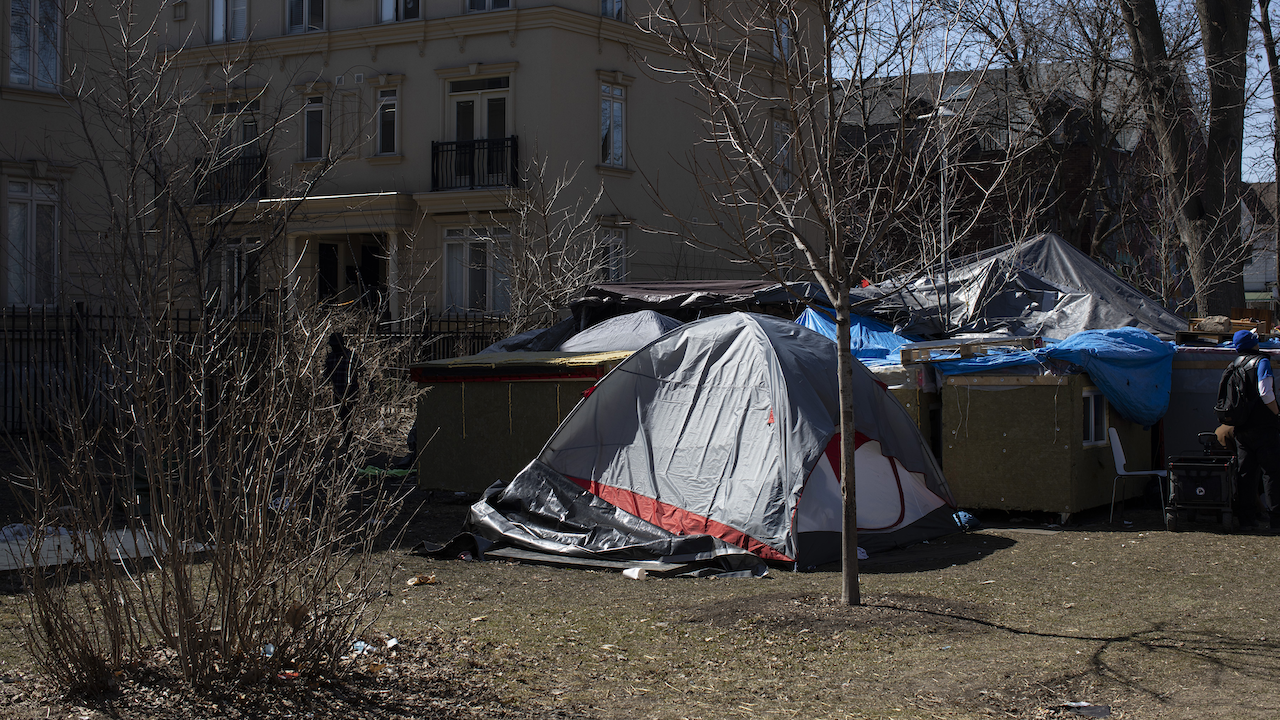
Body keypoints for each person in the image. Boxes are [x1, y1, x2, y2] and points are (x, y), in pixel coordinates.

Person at [1222, 329, 1280, 530]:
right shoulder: (1261, 361)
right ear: (1254, 344)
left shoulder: (1233, 365)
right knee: (1271, 473)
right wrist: (1277, 414)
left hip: (1241, 427)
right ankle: (1276, 519)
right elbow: (1266, 392)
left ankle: (1246, 519)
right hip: (1264, 426)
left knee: (1245, 474)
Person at [325, 331, 362, 441]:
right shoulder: (331, 358)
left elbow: (362, 370)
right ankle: (347, 439)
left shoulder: (350, 357)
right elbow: (326, 376)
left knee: (347, 419)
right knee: (344, 419)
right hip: (338, 394)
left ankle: (348, 440)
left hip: (351, 393)